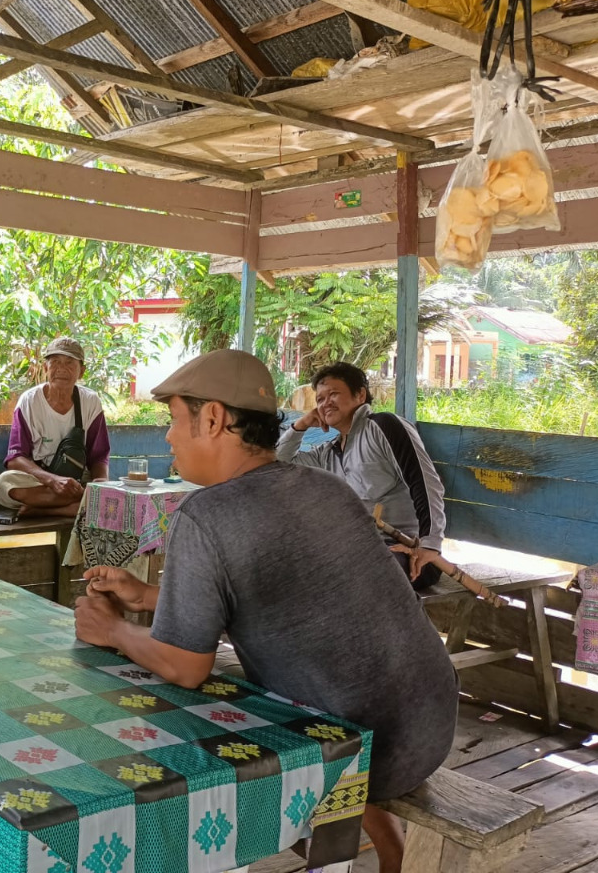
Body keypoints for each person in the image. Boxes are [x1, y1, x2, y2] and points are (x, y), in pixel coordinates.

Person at [74, 350, 458, 873]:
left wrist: (114, 629)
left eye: (175, 420)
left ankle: (231, 852)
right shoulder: (329, 489)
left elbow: (185, 666)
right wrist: (145, 597)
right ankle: (386, 853)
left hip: (359, 749)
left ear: (213, 419)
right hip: (429, 721)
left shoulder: (205, 513)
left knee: (178, 718)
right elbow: (275, 594)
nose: (168, 437)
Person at [276, 361, 446, 590]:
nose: (325, 403)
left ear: (360, 395)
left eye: (333, 394)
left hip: (406, 553)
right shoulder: (328, 452)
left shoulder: (383, 426)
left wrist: (430, 544)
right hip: (354, 550)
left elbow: (425, 482)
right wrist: (301, 425)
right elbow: (278, 464)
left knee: (347, 574)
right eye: (320, 399)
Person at [0, 337, 111, 518]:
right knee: (4, 484)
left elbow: (99, 455)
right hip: (41, 481)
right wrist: (53, 480)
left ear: (82, 371)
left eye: (69, 362)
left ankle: (42, 510)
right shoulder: (29, 401)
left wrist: (101, 482)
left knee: (104, 493)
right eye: (55, 362)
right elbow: (15, 458)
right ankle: (79, 505)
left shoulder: (90, 401)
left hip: (77, 482)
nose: (61, 369)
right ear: (45, 368)